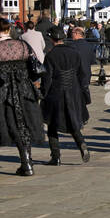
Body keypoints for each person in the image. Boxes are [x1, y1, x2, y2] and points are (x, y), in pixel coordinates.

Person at [0, 17, 46, 174]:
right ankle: (27, 164)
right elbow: (34, 66)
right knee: (22, 125)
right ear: (9, 30)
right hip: (23, 90)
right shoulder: (23, 45)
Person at [41, 25, 91, 164]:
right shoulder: (74, 53)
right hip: (73, 90)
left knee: (52, 125)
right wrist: (82, 91)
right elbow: (82, 74)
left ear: (52, 39)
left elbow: (47, 78)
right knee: (73, 122)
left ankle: (55, 156)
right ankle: (81, 144)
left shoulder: (51, 55)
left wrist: (43, 94)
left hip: (56, 92)